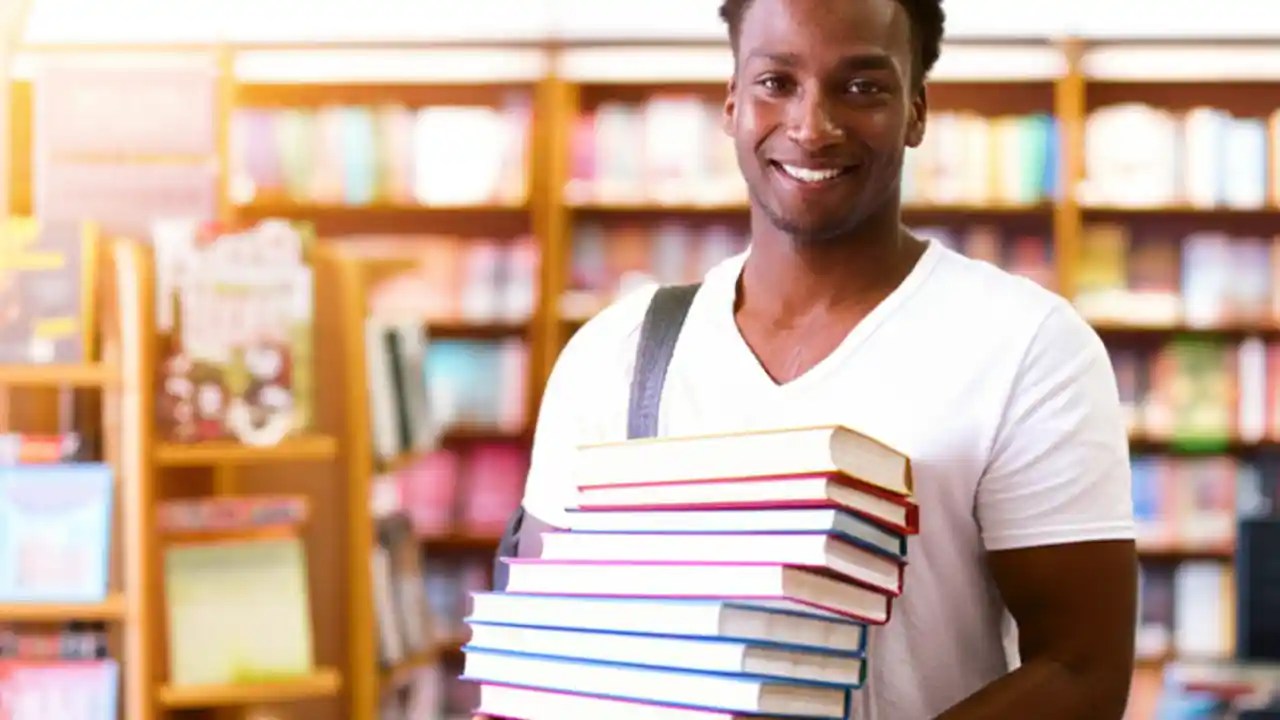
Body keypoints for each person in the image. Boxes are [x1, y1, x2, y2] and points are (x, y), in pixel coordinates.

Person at [480, 0, 1139, 718]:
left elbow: (1083, 669)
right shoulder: (616, 354)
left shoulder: (1027, 345)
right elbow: (543, 658)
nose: (812, 126)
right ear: (732, 103)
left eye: (863, 87)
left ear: (916, 112)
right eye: (776, 82)